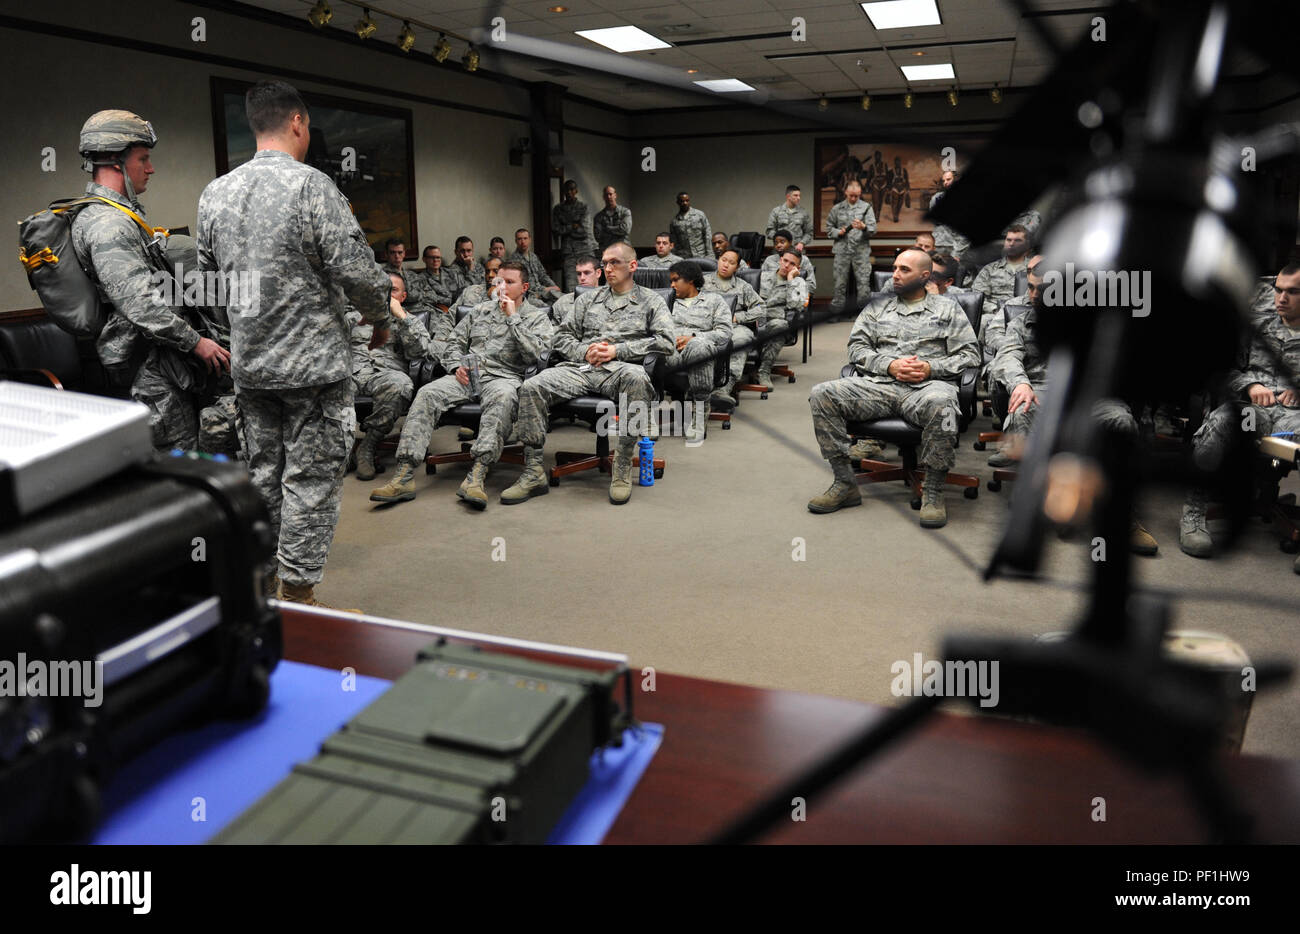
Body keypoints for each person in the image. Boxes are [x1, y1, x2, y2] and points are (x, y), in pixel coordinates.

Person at [197, 80, 394, 609]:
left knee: (262, 478)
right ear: (298, 123)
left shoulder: (215, 193)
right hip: (315, 371)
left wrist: (242, 333)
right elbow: (356, 268)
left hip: (252, 369)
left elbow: (209, 287)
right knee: (310, 481)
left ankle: (260, 594)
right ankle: (300, 598)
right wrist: (380, 319)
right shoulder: (312, 187)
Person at [72, 109, 231, 453]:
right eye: (143, 159)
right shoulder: (107, 225)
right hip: (147, 369)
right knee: (178, 460)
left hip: (161, 360)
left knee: (193, 455)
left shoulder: (121, 215)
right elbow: (138, 303)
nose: (150, 168)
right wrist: (196, 343)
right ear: (115, 161)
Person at [807, 249, 979, 528]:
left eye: (904, 270)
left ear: (925, 276)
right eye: (895, 268)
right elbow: (857, 347)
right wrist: (889, 365)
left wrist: (929, 368)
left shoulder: (948, 309)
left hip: (927, 388)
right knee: (823, 394)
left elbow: (969, 356)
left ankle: (933, 490)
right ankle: (845, 482)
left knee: (944, 406)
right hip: (880, 386)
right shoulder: (878, 306)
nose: (895, 274)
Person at [500, 242, 674, 506]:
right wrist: (585, 351)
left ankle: (623, 465)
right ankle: (533, 471)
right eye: (605, 263)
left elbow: (666, 342)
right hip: (581, 368)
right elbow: (561, 337)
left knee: (638, 379)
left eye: (614, 262)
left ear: (633, 266)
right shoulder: (587, 299)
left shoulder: (652, 301)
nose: (608, 268)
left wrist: (618, 350)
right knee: (532, 386)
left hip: (621, 369)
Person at [369, 262, 554, 510]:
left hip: (503, 378)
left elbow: (535, 356)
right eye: (499, 281)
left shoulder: (536, 316)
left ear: (525, 287)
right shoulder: (479, 311)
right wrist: (457, 366)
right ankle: (404, 476)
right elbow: (452, 344)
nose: (502, 287)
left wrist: (513, 318)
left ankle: (476, 476)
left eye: (509, 282)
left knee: (503, 398)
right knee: (427, 393)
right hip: (467, 376)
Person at [1180, 263, 1300, 568]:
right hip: (1254, 411)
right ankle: (1193, 516)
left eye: (1292, 292)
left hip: (1294, 418)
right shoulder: (1255, 327)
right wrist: (1250, 384)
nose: (1281, 298)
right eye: (1278, 291)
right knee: (1224, 422)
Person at [349, 272, 437, 480]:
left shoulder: (408, 320)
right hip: (350, 374)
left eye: (393, 291)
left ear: (403, 296)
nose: (385, 294)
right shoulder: (352, 317)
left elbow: (422, 351)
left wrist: (402, 317)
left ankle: (367, 447)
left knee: (400, 385)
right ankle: (339, 451)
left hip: (385, 376)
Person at [666, 260, 732, 442]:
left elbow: (725, 333)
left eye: (675, 280)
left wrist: (694, 337)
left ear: (690, 280)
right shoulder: (667, 301)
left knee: (698, 346)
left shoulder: (714, 301)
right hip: (671, 352)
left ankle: (700, 411)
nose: (671, 285)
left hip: (699, 350)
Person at [704, 248, 767, 401]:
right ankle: (701, 388)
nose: (726, 265)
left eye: (731, 263)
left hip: (735, 327)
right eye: (723, 260)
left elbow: (761, 308)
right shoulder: (702, 282)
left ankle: (724, 390)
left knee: (740, 341)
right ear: (718, 260)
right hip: (706, 325)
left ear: (737, 267)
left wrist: (738, 317)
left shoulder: (743, 286)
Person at [757, 249, 809, 388]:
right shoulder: (761, 276)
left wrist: (791, 280)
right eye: (785, 261)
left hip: (774, 322)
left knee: (780, 326)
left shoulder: (799, 283)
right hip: (754, 318)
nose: (786, 265)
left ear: (797, 268)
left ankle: (764, 371)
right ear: (780, 260)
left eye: (792, 264)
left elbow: (796, 306)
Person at [825, 180, 876, 312]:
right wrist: (838, 232)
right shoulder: (837, 209)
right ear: (845, 192)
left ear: (860, 194)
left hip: (861, 251)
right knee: (839, 283)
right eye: (851, 195)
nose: (853, 198)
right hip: (842, 250)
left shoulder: (866, 208)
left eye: (856, 196)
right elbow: (829, 229)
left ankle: (864, 314)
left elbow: (873, 230)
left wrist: (864, 227)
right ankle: (836, 311)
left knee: (863, 283)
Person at [972, 224, 1032, 318]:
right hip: (995, 314)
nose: (1011, 244)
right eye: (1008, 240)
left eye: (1017, 240)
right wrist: (995, 309)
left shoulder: (1034, 268)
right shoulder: (989, 270)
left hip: (1025, 313)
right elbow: (977, 297)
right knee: (984, 321)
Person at [552, 180, 596, 291]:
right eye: (567, 190)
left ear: (576, 191)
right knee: (571, 287)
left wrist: (566, 227)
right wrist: (573, 226)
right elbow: (556, 230)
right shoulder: (558, 209)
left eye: (572, 189)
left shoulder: (583, 207)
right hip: (569, 252)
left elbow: (584, 230)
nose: (569, 192)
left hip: (585, 250)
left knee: (589, 285)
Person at [510, 227, 562, 305]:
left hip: (542, 290)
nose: (523, 241)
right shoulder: (513, 260)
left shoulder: (533, 256)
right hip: (529, 294)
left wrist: (554, 286)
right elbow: (518, 284)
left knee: (563, 299)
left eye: (525, 238)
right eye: (520, 239)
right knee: (544, 307)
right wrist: (546, 289)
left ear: (530, 240)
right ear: (516, 241)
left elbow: (543, 275)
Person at [929, 169, 971, 260]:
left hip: (961, 244)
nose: (945, 182)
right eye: (943, 180)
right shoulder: (937, 198)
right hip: (941, 242)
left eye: (948, 179)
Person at [551, 254, 603, 325]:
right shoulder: (563, 302)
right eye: (579, 274)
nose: (582, 278)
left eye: (587, 273)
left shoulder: (608, 299)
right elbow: (550, 330)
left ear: (598, 273)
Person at [764, 185, 813, 252]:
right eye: (795, 195)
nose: (798, 198)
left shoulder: (803, 213)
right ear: (788, 196)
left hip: (797, 250)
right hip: (780, 250)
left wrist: (802, 243)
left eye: (799, 195)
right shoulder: (776, 211)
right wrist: (780, 241)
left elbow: (809, 233)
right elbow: (769, 231)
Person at [669, 191, 712, 259]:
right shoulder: (674, 222)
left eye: (687, 200)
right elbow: (674, 242)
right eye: (682, 201)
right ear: (678, 202)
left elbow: (707, 235)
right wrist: (674, 258)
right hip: (684, 256)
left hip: (701, 254)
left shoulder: (699, 215)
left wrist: (710, 254)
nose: (685, 203)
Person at [592, 185, 632, 250]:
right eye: (606, 195)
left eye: (610, 194)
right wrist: (618, 231)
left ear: (615, 195)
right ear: (603, 197)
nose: (608, 197)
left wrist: (607, 228)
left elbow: (625, 229)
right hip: (607, 250)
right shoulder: (598, 217)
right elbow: (598, 237)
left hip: (623, 249)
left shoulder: (625, 212)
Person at [446, 235, 484, 302]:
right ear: (456, 252)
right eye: (462, 251)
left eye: (469, 251)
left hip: (482, 300)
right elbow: (463, 294)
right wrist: (470, 269)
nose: (466, 254)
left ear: (472, 251)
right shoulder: (450, 272)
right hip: (464, 305)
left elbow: (484, 285)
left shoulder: (478, 266)